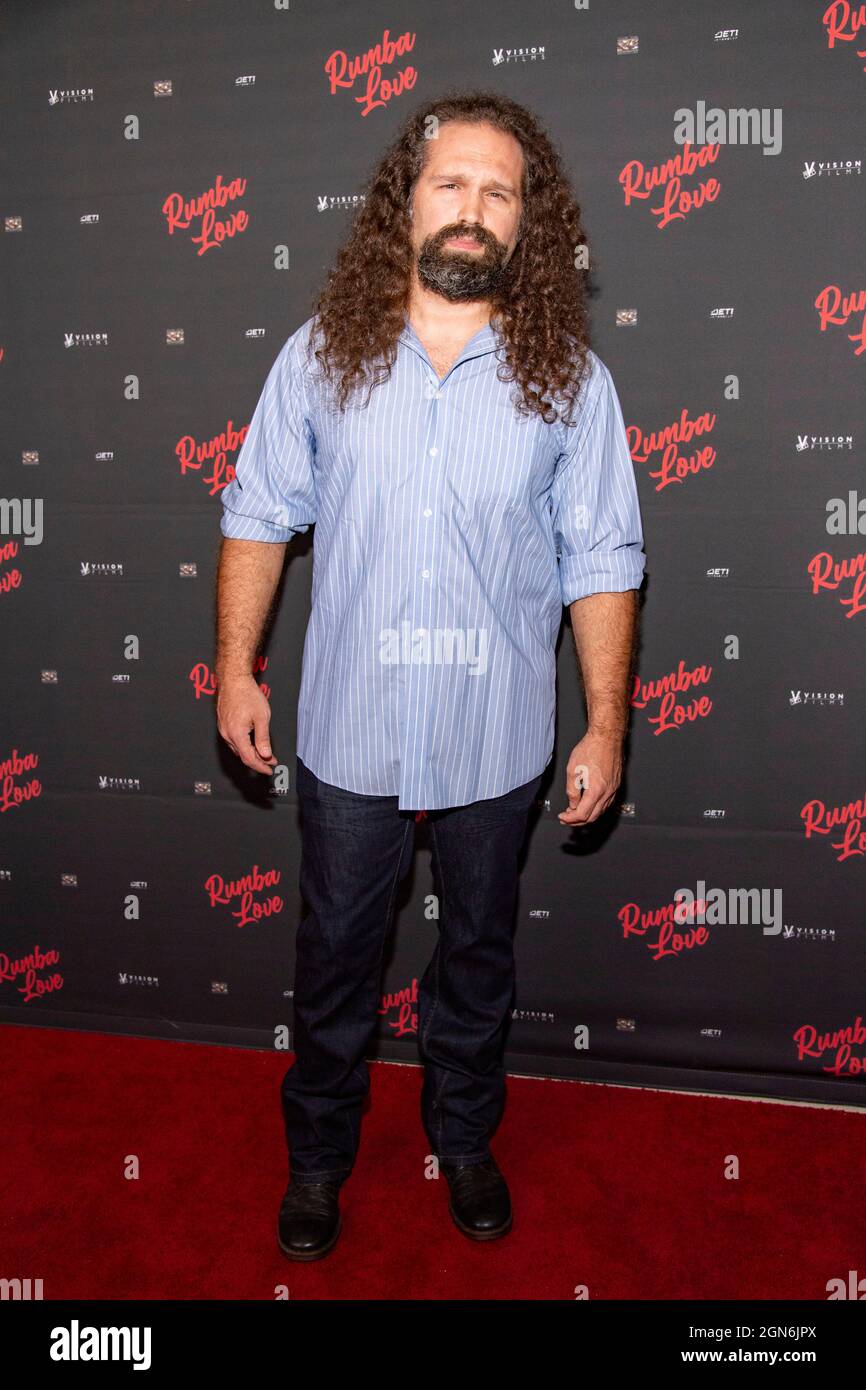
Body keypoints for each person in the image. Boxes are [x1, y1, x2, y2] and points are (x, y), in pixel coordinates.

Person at [214, 90, 646, 1261]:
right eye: (449, 184)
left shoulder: (569, 381)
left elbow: (600, 560)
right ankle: (317, 1160)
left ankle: (462, 1138)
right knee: (335, 960)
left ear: (526, 220)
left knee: (478, 958)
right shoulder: (319, 357)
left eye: (496, 191)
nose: (470, 211)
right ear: (404, 205)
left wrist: (604, 722)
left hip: (495, 736)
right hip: (351, 728)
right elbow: (257, 513)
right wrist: (231, 669)